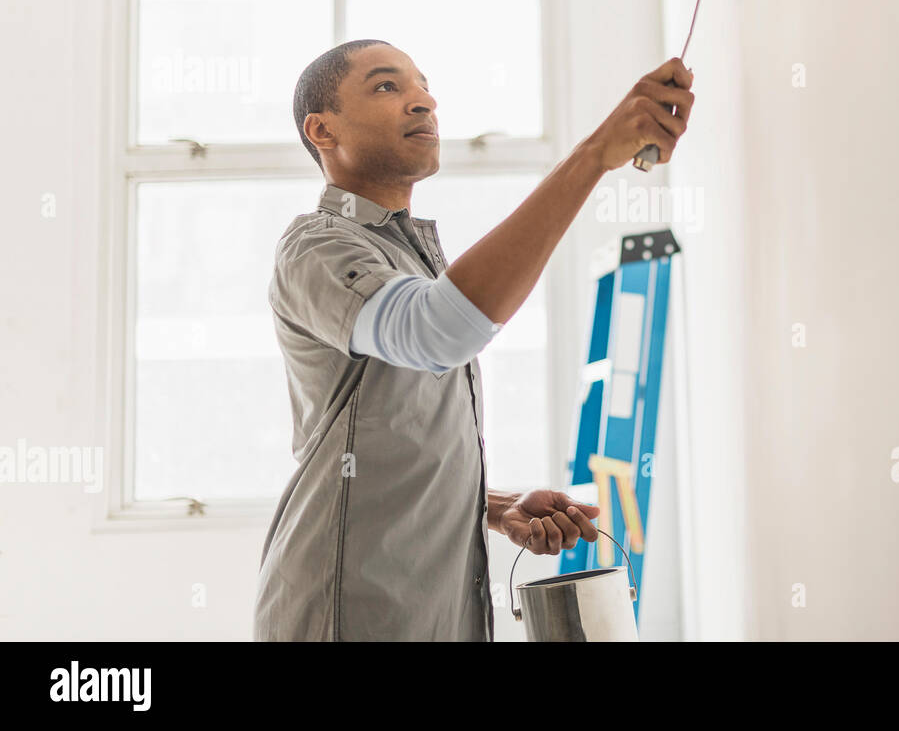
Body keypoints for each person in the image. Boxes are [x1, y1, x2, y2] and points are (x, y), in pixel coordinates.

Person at [253, 38, 694, 640]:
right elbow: (437, 330)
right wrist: (593, 157)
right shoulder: (317, 248)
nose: (422, 101)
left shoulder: (407, 257)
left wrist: (495, 506)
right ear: (322, 130)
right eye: (387, 86)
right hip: (348, 611)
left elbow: (395, 437)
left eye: (422, 86)